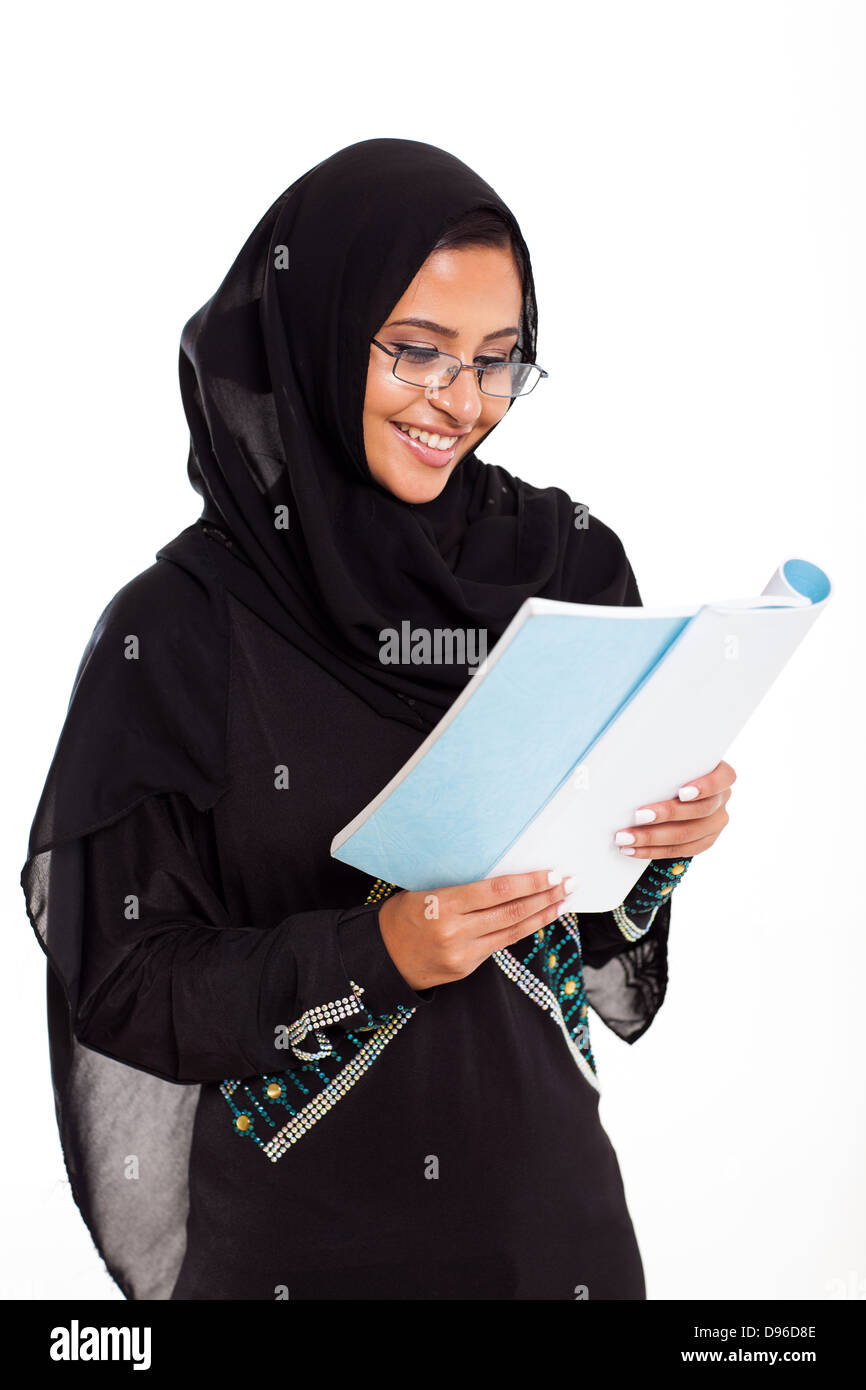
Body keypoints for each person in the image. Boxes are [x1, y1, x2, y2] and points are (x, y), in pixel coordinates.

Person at [21, 137, 735, 1301]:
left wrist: (658, 837)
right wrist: (380, 952)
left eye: (499, 362)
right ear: (311, 330)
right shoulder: (181, 629)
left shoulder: (564, 569)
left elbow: (593, 939)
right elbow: (124, 986)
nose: (459, 403)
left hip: (554, 1236)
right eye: (418, 351)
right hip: (302, 1250)